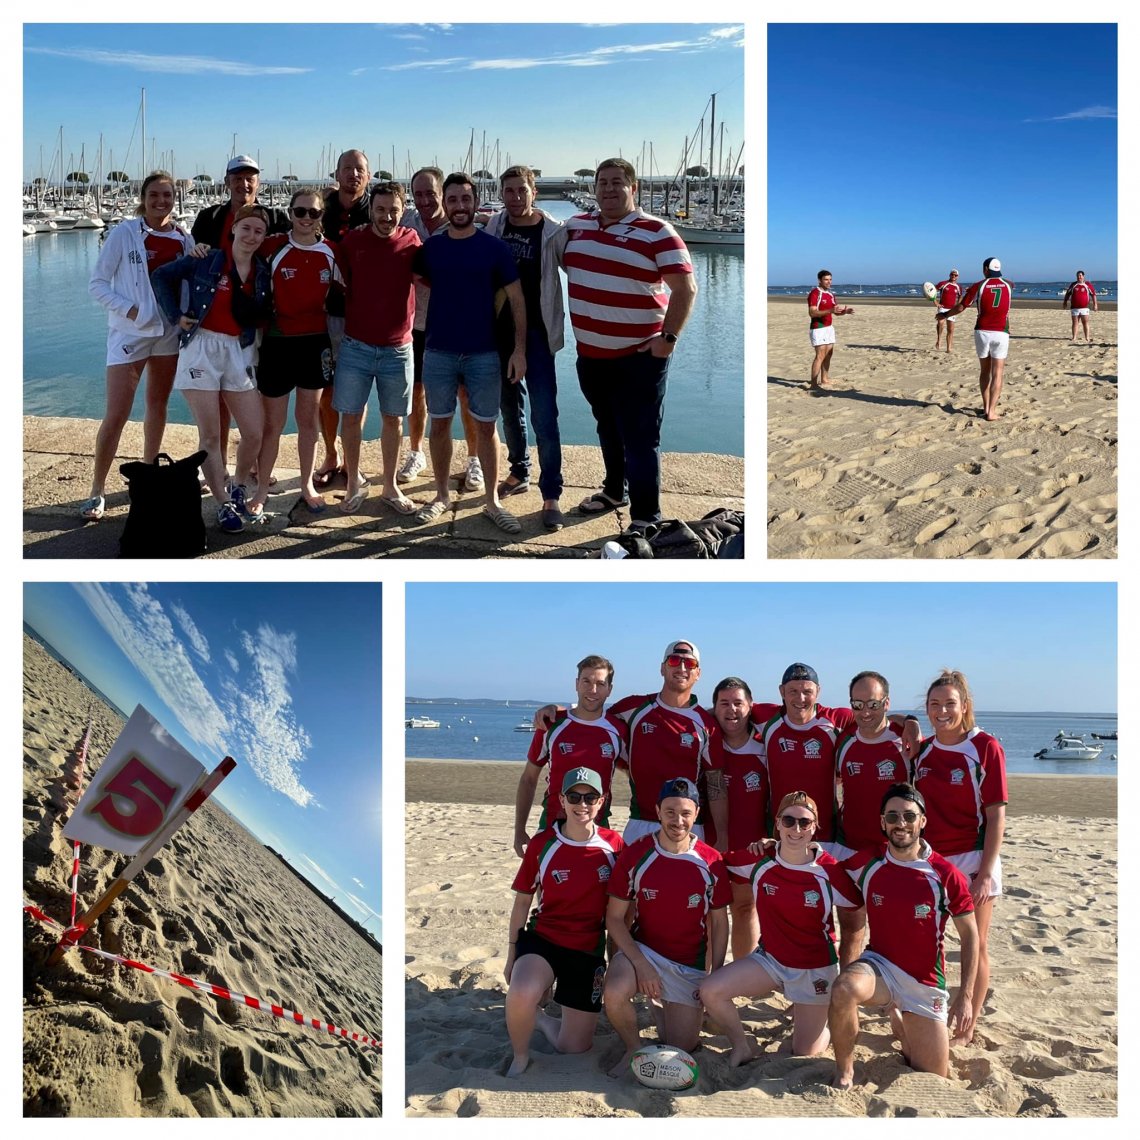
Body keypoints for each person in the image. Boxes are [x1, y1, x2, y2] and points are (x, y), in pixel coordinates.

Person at [560, 158, 697, 528]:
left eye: (616, 182)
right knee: (606, 425)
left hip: (639, 357)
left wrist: (667, 340)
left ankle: (645, 517)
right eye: (602, 182)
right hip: (590, 355)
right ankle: (613, 491)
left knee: (640, 437)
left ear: (632, 188)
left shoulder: (657, 232)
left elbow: (685, 289)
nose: (607, 189)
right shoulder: (577, 226)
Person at [829, 784, 979, 1087]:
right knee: (844, 987)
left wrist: (965, 997)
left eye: (909, 816)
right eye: (893, 816)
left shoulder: (946, 875)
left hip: (924, 984)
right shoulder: (867, 862)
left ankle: (901, 1016)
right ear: (883, 822)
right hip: (880, 967)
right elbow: (815, 867)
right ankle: (845, 1070)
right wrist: (771, 846)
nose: (901, 824)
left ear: (922, 821)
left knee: (933, 1075)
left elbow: (970, 937)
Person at [700, 791, 862, 1064]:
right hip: (770, 961)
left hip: (814, 969)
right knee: (710, 992)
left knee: (804, 1051)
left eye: (804, 822)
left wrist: (848, 977)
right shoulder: (759, 859)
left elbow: (859, 912)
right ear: (777, 823)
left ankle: (821, 1020)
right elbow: (714, 861)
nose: (796, 829)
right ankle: (743, 1045)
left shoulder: (830, 872)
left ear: (815, 827)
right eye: (789, 821)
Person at [411, 172, 527, 534]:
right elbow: (416, 280)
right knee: (440, 422)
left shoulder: (494, 248)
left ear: (475, 203)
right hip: (439, 351)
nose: (459, 206)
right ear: (445, 205)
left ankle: (491, 501)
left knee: (486, 425)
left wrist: (519, 351)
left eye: (465, 199)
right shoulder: (432, 248)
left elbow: (518, 300)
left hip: (484, 353)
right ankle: (442, 495)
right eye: (453, 200)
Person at [83, 170, 196, 520]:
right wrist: (132, 311)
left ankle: (147, 473)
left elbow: (190, 282)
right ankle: (97, 490)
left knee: (157, 406)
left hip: (167, 335)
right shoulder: (123, 233)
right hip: (129, 335)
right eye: (154, 195)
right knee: (116, 414)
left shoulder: (183, 237)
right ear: (143, 198)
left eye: (167, 195)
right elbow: (98, 284)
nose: (161, 201)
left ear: (175, 199)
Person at [152, 205, 272, 533]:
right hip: (201, 348)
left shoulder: (262, 269)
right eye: (245, 228)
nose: (251, 236)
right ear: (234, 229)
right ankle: (222, 503)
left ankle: (238, 483)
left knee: (253, 432)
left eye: (258, 231)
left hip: (239, 350)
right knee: (210, 433)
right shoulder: (207, 259)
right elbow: (161, 276)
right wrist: (175, 314)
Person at [604, 777, 729, 1077]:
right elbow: (613, 919)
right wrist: (641, 964)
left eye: (685, 813)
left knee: (681, 1045)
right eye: (670, 811)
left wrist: (715, 978)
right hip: (644, 953)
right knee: (614, 991)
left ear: (696, 813)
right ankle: (633, 1047)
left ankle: (664, 1005)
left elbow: (720, 922)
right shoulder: (636, 854)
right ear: (658, 811)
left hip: (689, 964)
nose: (678, 820)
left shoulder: (711, 862)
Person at [506, 767, 623, 1077]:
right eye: (574, 796)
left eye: (590, 797)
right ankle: (520, 1056)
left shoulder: (615, 846)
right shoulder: (544, 843)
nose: (581, 804)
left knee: (572, 1046)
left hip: (587, 950)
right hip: (544, 940)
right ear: (561, 799)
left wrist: (618, 960)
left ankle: (542, 1019)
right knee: (521, 991)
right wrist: (511, 954)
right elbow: (521, 903)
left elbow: (623, 911)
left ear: (602, 802)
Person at [912, 669, 1006, 1043]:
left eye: (949, 704)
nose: (941, 711)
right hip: (933, 860)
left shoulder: (984, 747)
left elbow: (996, 812)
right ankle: (926, 1008)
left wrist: (985, 872)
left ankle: (968, 1024)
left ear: (964, 706)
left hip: (974, 856)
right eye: (934, 705)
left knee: (975, 942)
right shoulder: (923, 750)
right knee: (928, 940)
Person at [754, 663, 920, 855]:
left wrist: (910, 721)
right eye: (793, 691)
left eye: (807, 691)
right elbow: (730, 710)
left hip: (829, 836)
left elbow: (873, 717)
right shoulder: (765, 718)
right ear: (781, 691)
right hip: (780, 831)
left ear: (818, 691)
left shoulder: (835, 720)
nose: (800, 698)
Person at [482, 165, 566, 531]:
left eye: (521, 190)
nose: (515, 198)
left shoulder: (553, 232)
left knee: (544, 414)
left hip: (537, 333)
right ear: (501, 193)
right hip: (499, 332)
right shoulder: (495, 226)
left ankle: (551, 495)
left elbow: (581, 263)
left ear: (534, 192)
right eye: (509, 191)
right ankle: (520, 471)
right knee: (508, 406)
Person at [331, 181, 421, 515]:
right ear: (371, 209)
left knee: (393, 421)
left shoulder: (412, 241)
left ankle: (389, 486)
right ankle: (354, 481)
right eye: (380, 209)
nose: (387, 216)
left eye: (393, 210)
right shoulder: (353, 242)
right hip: (355, 347)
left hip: (398, 349)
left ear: (402, 209)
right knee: (351, 418)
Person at [397, 166, 487, 493]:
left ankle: (475, 459)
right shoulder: (405, 222)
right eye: (418, 193)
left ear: (442, 195)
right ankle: (416, 452)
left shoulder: (462, 224)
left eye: (430, 193)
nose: (424, 200)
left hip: (457, 324)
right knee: (417, 390)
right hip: (417, 323)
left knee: (466, 395)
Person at [252, 187, 340, 515]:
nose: (306, 218)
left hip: (315, 344)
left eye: (313, 213)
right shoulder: (272, 247)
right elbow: (239, 260)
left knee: (308, 421)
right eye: (300, 211)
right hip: (277, 342)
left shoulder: (332, 252)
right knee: (272, 424)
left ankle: (306, 483)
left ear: (321, 217)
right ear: (290, 213)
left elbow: (350, 292)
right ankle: (261, 488)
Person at [833, 671, 913, 966]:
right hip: (850, 846)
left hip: (892, 853)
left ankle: (893, 996)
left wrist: (911, 721)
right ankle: (847, 987)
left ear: (887, 703)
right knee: (851, 926)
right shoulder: (843, 740)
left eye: (873, 704)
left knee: (891, 928)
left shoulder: (903, 740)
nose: (865, 712)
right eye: (858, 705)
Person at [513, 655, 627, 859]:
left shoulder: (618, 731)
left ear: (610, 689)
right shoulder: (552, 724)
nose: (593, 690)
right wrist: (519, 830)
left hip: (598, 829)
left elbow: (637, 775)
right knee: (547, 890)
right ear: (576, 684)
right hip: (552, 825)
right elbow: (528, 779)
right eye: (587, 681)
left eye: (600, 684)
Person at [314, 148, 373, 488]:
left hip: (362, 316)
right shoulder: (321, 210)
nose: (353, 174)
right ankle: (331, 453)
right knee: (327, 390)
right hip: (324, 314)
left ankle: (354, 461)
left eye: (359, 169)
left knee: (357, 393)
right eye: (347, 168)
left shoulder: (377, 209)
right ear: (337, 174)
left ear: (368, 176)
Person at [709, 677, 768, 961]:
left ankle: (742, 970)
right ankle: (703, 977)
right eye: (724, 703)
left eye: (737, 703)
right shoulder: (706, 743)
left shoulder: (765, 747)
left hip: (751, 845)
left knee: (745, 909)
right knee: (709, 911)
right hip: (711, 843)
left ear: (750, 706)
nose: (731, 710)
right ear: (714, 708)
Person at [939, 256, 1013, 421]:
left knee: (985, 371)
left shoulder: (978, 286)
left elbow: (961, 307)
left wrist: (944, 314)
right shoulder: (1009, 285)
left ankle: (986, 407)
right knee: (998, 372)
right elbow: (1005, 286)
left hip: (982, 331)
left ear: (986, 269)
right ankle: (991, 411)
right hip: (1001, 332)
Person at [807, 270, 854, 389]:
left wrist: (844, 312)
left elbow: (835, 312)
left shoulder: (831, 294)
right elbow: (812, 312)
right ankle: (813, 384)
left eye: (830, 279)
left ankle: (824, 379)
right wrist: (830, 311)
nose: (829, 282)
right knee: (820, 355)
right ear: (820, 280)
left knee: (829, 354)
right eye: (826, 279)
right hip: (818, 328)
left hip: (829, 328)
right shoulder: (815, 293)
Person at [1062, 270, 1098, 344]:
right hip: (1074, 308)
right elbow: (1067, 294)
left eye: (1081, 275)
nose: (1079, 277)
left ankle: (1087, 337)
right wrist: (1065, 302)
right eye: (1078, 275)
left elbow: (1093, 295)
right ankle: (1074, 337)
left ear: (1083, 276)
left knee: (1085, 323)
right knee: (1075, 323)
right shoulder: (1073, 285)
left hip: (1085, 308)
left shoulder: (1087, 284)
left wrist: (1095, 304)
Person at [934, 269, 962, 353]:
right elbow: (933, 292)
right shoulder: (943, 283)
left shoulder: (958, 287)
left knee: (950, 329)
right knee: (941, 323)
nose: (953, 276)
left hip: (952, 309)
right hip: (942, 307)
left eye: (955, 275)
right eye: (952, 274)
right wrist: (936, 302)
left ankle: (948, 348)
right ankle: (939, 339)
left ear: (957, 276)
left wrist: (958, 304)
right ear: (949, 275)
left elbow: (960, 296)